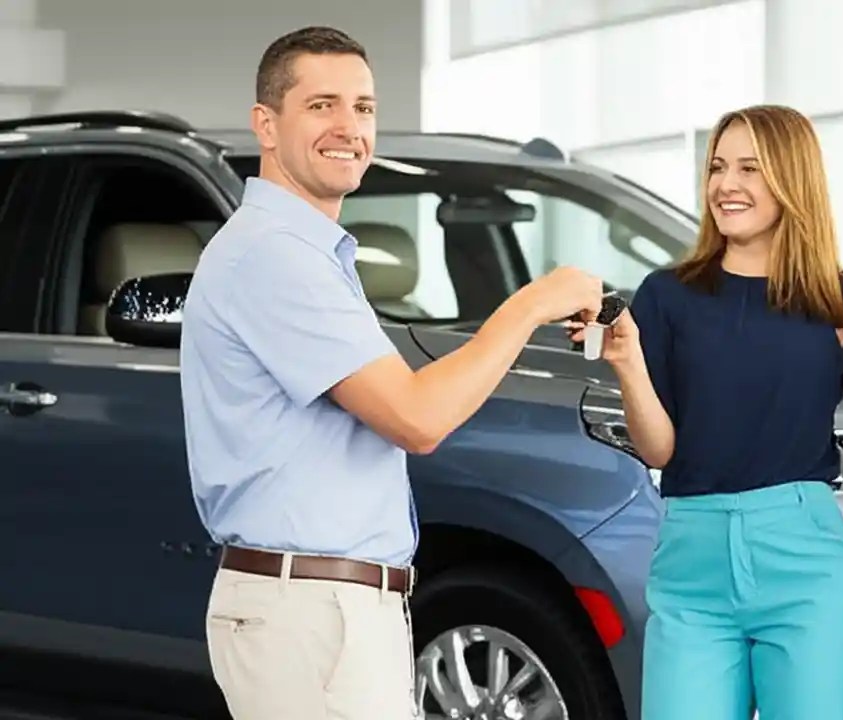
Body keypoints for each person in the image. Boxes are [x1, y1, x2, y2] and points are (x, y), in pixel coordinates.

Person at [178, 26, 603, 720]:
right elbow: (416, 417)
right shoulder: (275, 255)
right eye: (321, 105)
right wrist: (529, 305)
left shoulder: (308, 254)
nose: (349, 127)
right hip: (309, 614)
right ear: (267, 123)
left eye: (365, 107)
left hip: (330, 608)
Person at [573, 104, 843, 719]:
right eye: (717, 167)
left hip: (808, 563)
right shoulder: (667, 294)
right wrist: (628, 361)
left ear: (793, 180)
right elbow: (660, 451)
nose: (725, 185)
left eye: (750, 169)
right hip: (693, 561)